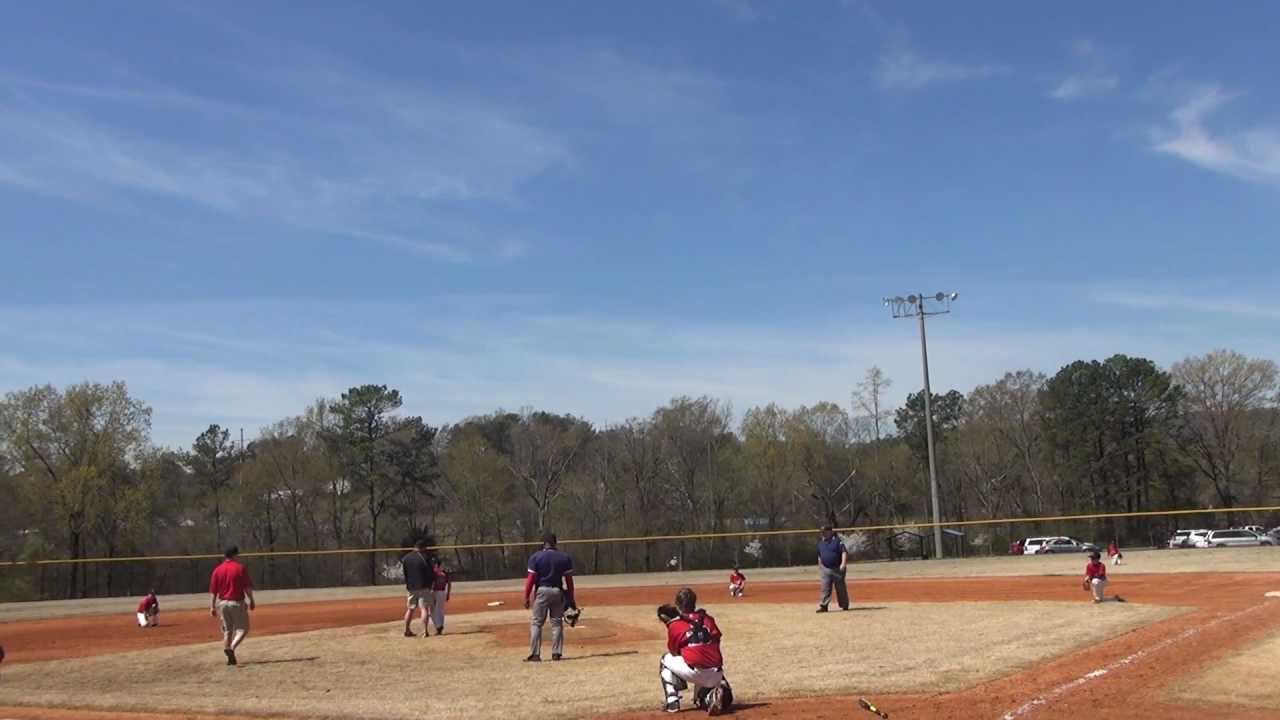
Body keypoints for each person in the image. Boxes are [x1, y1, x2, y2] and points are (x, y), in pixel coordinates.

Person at [658, 588, 733, 715]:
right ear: (694, 603)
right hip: (717, 673)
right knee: (704, 665)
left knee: (665, 658)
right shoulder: (708, 619)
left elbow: (674, 652)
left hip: (695, 672)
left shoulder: (676, 624)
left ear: (677, 605)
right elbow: (716, 639)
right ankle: (709, 698)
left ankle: (672, 701)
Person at [523, 532, 576, 662]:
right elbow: (569, 580)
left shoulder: (536, 557)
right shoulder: (564, 557)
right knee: (557, 623)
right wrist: (571, 598)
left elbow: (530, 580)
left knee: (536, 623)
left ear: (544, 543)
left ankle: (535, 654)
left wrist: (526, 596)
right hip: (557, 591)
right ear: (555, 543)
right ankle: (556, 653)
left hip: (542, 591)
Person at [209, 545, 255, 666]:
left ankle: (229, 656)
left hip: (222, 604)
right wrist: (252, 600)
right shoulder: (240, 568)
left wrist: (212, 607)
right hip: (236, 602)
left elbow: (213, 591)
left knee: (228, 630)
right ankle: (232, 648)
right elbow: (247, 588)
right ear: (235, 555)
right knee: (243, 629)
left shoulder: (217, 570)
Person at [401, 539, 434, 638]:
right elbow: (430, 573)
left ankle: (406, 630)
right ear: (423, 548)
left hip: (411, 587)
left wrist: (408, 584)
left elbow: (405, 573)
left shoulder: (406, 558)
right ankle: (425, 631)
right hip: (423, 586)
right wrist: (431, 584)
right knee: (424, 608)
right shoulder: (425, 557)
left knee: (410, 609)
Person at [816, 525, 849, 612]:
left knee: (840, 588)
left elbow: (844, 552)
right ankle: (824, 606)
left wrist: (843, 564)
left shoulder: (837, 541)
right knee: (825, 588)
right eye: (822, 532)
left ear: (830, 532)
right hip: (825, 569)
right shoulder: (821, 543)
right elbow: (819, 555)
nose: (823, 534)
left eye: (825, 532)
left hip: (837, 568)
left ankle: (844, 605)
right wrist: (820, 565)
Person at [430, 558, 452, 636]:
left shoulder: (434, 573)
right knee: (439, 610)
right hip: (442, 592)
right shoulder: (444, 573)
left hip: (435, 592)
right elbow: (449, 584)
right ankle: (439, 626)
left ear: (436, 565)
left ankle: (438, 627)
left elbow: (432, 583)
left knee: (434, 610)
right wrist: (448, 594)